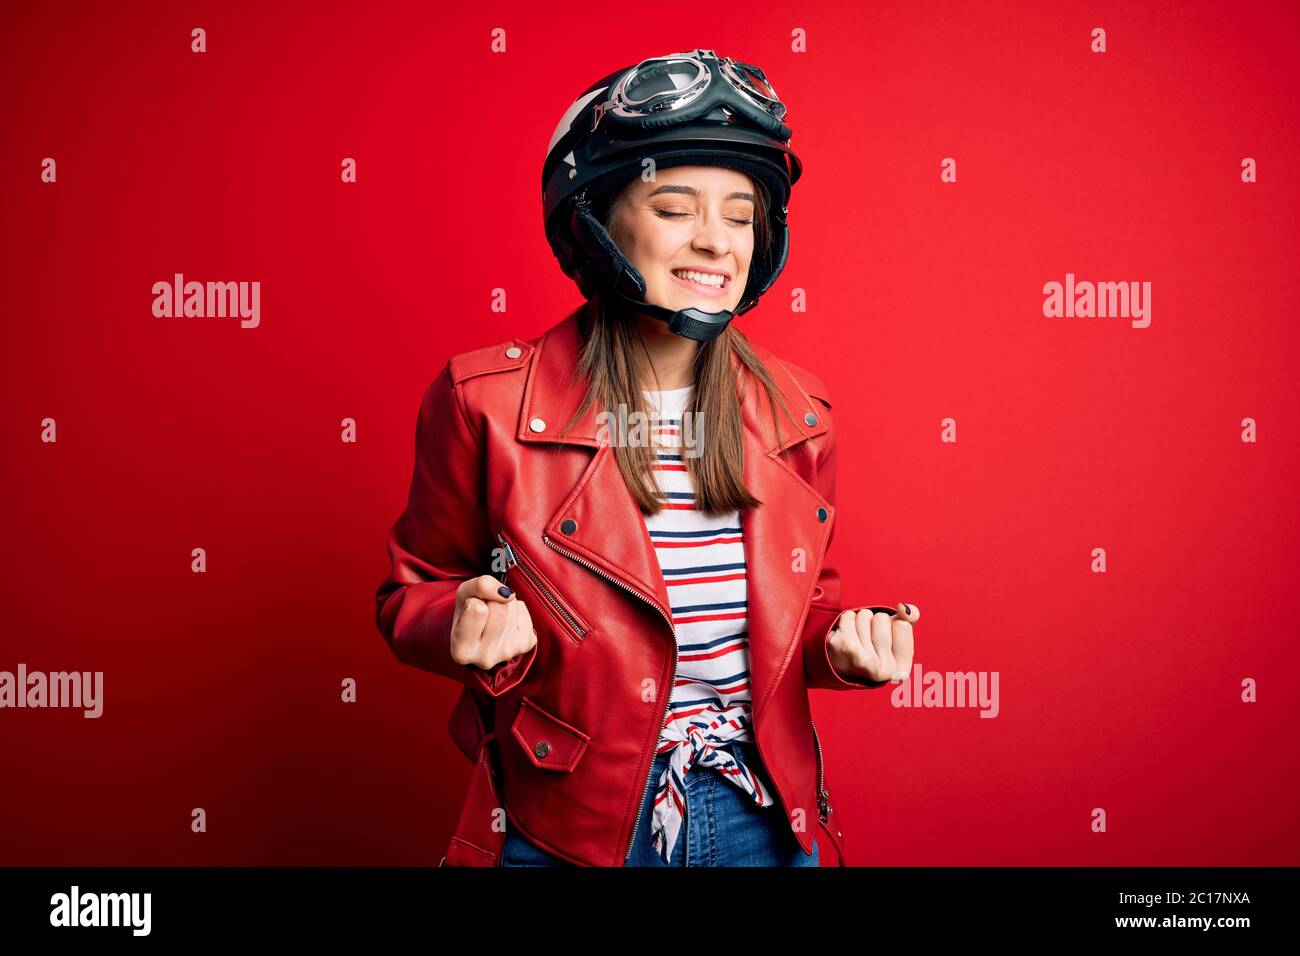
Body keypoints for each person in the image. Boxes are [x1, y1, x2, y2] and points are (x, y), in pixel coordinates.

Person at [375, 49, 920, 868]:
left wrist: (844, 645)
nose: (715, 240)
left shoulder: (799, 415)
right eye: (675, 207)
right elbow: (410, 593)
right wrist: (461, 620)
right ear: (595, 223)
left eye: (740, 216)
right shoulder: (480, 402)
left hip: (760, 816)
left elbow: (797, 620)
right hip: (569, 820)